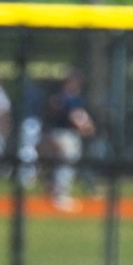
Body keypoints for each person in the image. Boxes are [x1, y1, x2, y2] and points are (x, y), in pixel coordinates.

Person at [42, 73, 96, 211]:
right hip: (64, 134)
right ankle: (60, 196)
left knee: (58, 163)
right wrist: (86, 128)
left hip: (56, 133)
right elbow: (75, 118)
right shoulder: (68, 98)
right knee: (67, 164)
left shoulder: (60, 97)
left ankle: (51, 190)